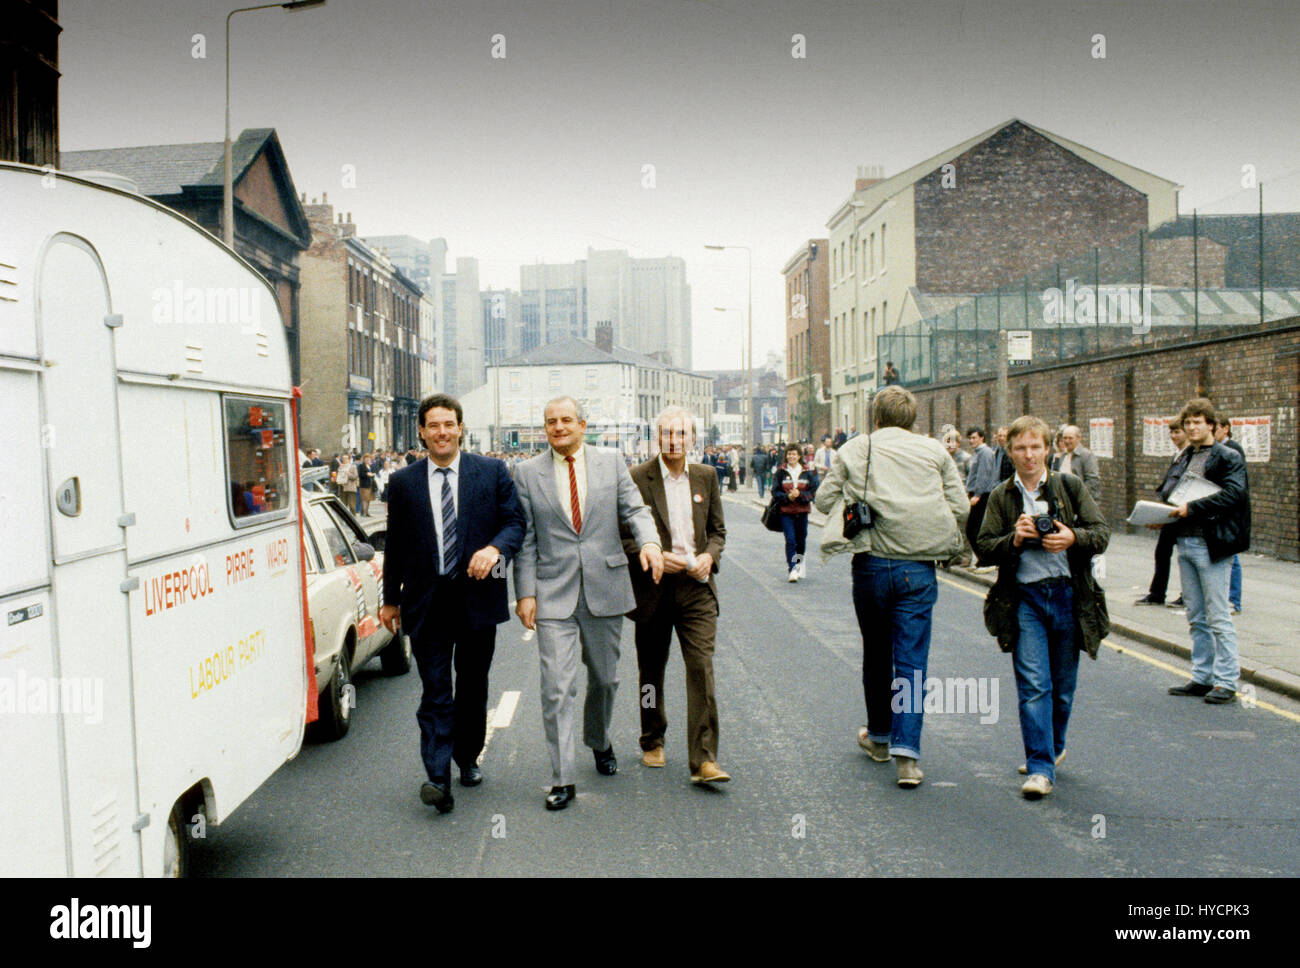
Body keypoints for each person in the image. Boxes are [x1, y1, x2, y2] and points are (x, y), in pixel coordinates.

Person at [512, 396, 663, 811]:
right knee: (557, 688)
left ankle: (598, 739)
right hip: (552, 593)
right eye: (550, 422)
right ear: (544, 430)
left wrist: (649, 542)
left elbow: (635, 509)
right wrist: (525, 594)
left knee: (605, 678)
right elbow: (525, 540)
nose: (558, 427)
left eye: (566, 420)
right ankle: (562, 778)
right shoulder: (526, 473)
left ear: (582, 424)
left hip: (605, 586)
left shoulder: (611, 462)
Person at [379, 394, 526, 815]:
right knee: (436, 690)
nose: (441, 432)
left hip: (478, 597)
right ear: (422, 432)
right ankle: (437, 778)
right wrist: (391, 600)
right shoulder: (404, 482)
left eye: (449, 424)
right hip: (427, 601)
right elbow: (397, 544)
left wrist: (495, 550)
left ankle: (467, 757)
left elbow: (515, 522)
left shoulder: (492, 471)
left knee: (472, 685)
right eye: (433, 425)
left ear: (461, 428)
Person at [814, 386, 967, 789]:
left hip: (871, 567)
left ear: (875, 417)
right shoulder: (934, 451)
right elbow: (962, 507)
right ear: (913, 419)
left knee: (877, 654)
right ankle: (907, 756)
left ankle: (879, 739)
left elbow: (822, 499)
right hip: (918, 569)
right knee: (912, 660)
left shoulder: (856, 449)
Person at [976, 416, 1110, 800]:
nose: (1028, 455)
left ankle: (1053, 745)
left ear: (1047, 449)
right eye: (1020, 448)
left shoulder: (1069, 486)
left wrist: (1072, 537)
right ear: (1010, 452)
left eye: (1036, 447)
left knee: (1062, 688)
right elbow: (984, 547)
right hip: (1025, 599)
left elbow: (1101, 533)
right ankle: (1039, 766)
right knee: (1035, 685)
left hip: (1069, 595)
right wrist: (1015, 540)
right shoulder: (1002, 496)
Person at [621, 407, 730, 784]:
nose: (673, 440)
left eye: (681, 434)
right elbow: (621, 535)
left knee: (701, 667)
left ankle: (704, 759)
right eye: (666, 433)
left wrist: (708, 557)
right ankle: (652, 736)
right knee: (651, 673)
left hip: (696, 589)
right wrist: (646, 553)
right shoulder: (637, 478)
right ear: (657, 437)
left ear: (692, 439)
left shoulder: (707, 477)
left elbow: (718, 532)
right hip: (652, 587)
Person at [1157, 399, 1250, 704]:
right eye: (1188, 423)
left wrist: (1191, 508)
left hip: (1213, 543)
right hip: (1185, 541)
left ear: (1211, 425)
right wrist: (1160, 515)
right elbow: (1171, 493)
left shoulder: (1228, 456)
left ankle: (1226, 681)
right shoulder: (1184, 457)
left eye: (1198, 422)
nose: (1192, 427)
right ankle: (1202, 676)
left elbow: (1235, 494)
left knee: (1218, 614)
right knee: (1196, 614)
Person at [1135, 417, 1189, 606]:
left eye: (1177, 432)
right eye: (1172, 432)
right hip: (1170, 513)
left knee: (1185, 555)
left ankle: (1186, 595)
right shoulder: (1178, 455)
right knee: (1162, 553)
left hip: (1180, 513)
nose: (1174, 436)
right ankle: (1157, 594)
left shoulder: (1188, 456)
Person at [771, 444, 817, 582]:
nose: (792, 457)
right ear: (786, 456)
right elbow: (775, 491)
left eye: (794, 454)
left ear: (799, 456)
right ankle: (792, 569)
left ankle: (799, 563)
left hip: (802, 511)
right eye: (789, 454)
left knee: (801, 541)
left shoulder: (807, 471)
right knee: (790, 540)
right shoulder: (780, 472)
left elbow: (813, 492)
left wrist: (800, 495)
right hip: (786, 511)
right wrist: (787, 497)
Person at [1215, 415, 1245, 614]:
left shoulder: (1232, 450)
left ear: (1226, 429)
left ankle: (1234, 600)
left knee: (1232, 558)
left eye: (1215, 427)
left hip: (1230, 511)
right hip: (1222, 510)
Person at [965, 427, 998, 566]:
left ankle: (986, 560)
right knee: (973, 529)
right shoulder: (978, 453)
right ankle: (983, 560)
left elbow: (983, 475)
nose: (971, 441)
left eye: (974, 438)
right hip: (975, 494)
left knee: (973, 529)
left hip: (982, 495)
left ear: (982, 438)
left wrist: (977, 495)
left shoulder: (984, 453)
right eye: (970, 438)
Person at [1051, 425, 1102, 504]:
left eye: (1070, 438)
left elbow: (1092, 480)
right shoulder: (1063, 456)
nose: (1067, 441)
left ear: (1079, 438)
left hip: (1082, 502)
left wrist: (1078, 497)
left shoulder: (1086, 455)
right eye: (1065, 438)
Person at [357, 451, 375, 517]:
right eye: (366, 458)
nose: (367, 460)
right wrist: (367, 474)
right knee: (364, 499)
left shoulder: (370, 466)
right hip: (364, 484)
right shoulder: (361, 466)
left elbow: (374, 472)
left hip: (370, 484)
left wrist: (372, 474)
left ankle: (367, 512)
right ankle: (363, 512)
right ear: (364, 459)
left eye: (369, 458)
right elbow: (360, 474)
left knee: (369, 499)